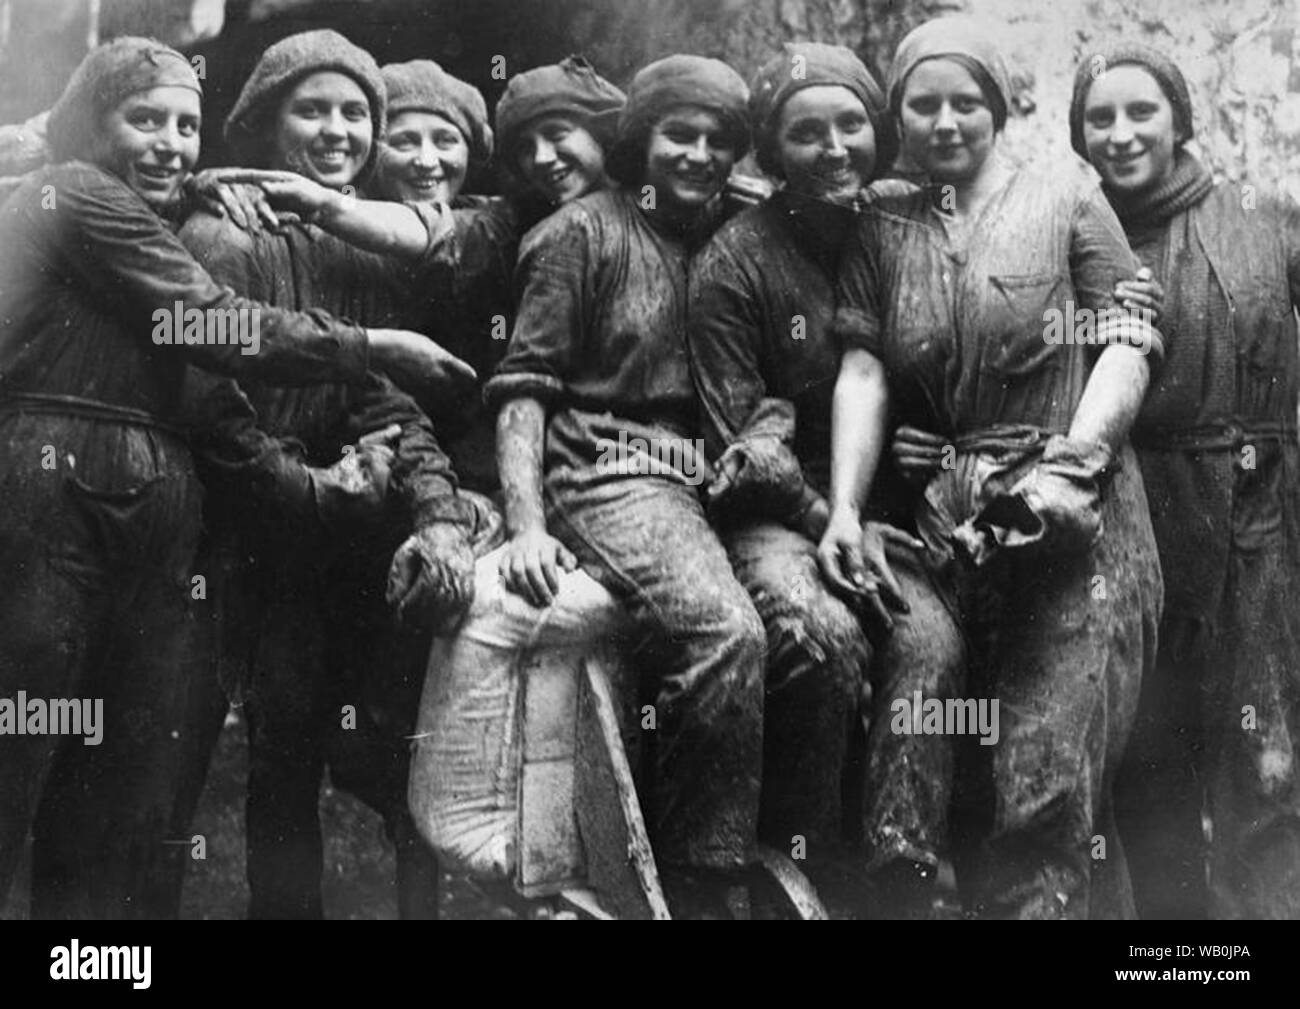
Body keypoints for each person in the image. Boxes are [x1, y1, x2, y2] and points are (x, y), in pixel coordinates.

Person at [0, 35, 457, 919]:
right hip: (49, 492)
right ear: (91, 123)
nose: (171, 143)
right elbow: (203, 321)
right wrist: (373, 348)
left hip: (149, 513)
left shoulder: (167, 211)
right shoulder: (73, 193)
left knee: (110, 787)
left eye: (185, 127)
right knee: (19, 746)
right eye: (145, 121)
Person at [819, 16, 1163, 919]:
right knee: (964, 775)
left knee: (1045, 782)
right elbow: (864, 369)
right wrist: (845, 510)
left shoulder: (1068, 196)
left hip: (1068, 531)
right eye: (922, 104)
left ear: (1001, 104)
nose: (945, 121)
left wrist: (1075, 464)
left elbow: (1127, 336)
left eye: (964, 101)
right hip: (951, 530)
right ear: (899, 115)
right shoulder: (886, 222)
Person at [172, 29, 480, 919]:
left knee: (373, 737)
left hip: (334, 532)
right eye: (313, 109)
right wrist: (307, 492)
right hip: (240, 536)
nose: (339, 130)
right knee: (266, 750)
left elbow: (384, 397)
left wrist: (438, 512)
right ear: (267, 125)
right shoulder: (220, 233)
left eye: (356, 113)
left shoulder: (362, 244)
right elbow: (211, 406)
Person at [466, 54, 767, 918]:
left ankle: (801, 858)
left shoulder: (732, 229)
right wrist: (526, 524)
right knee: (723, 632)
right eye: (679, 134)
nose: (699, 154)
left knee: (813, 627)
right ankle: (698, 883)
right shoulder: (578, 235)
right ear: (640, 139)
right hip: (610, 469)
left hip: (714, 472)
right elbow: (524, 390)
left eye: (718, 140)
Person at [687, 41, 962, 916]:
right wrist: (826, 514)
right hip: (772, 513)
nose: (834, 147)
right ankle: (803, 863)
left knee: (929, 644)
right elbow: (740, 442)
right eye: (807, 133)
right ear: (772, 151)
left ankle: (900, 867)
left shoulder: (905, 229)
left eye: (852, 125)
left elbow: (942, 366)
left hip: (881, 512)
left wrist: (933, 451)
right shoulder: (733, 262)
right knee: (821, 635)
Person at [1072, 44, 1300, 919]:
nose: (1123, 134)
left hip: (1257, 520)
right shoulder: (1071, 224)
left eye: (1142, 112)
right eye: (1102, 118)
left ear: (1180, 119)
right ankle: (1172, 959)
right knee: (1149, 765)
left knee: (1264, 759)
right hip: (1134, 520)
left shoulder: (1264, 215)